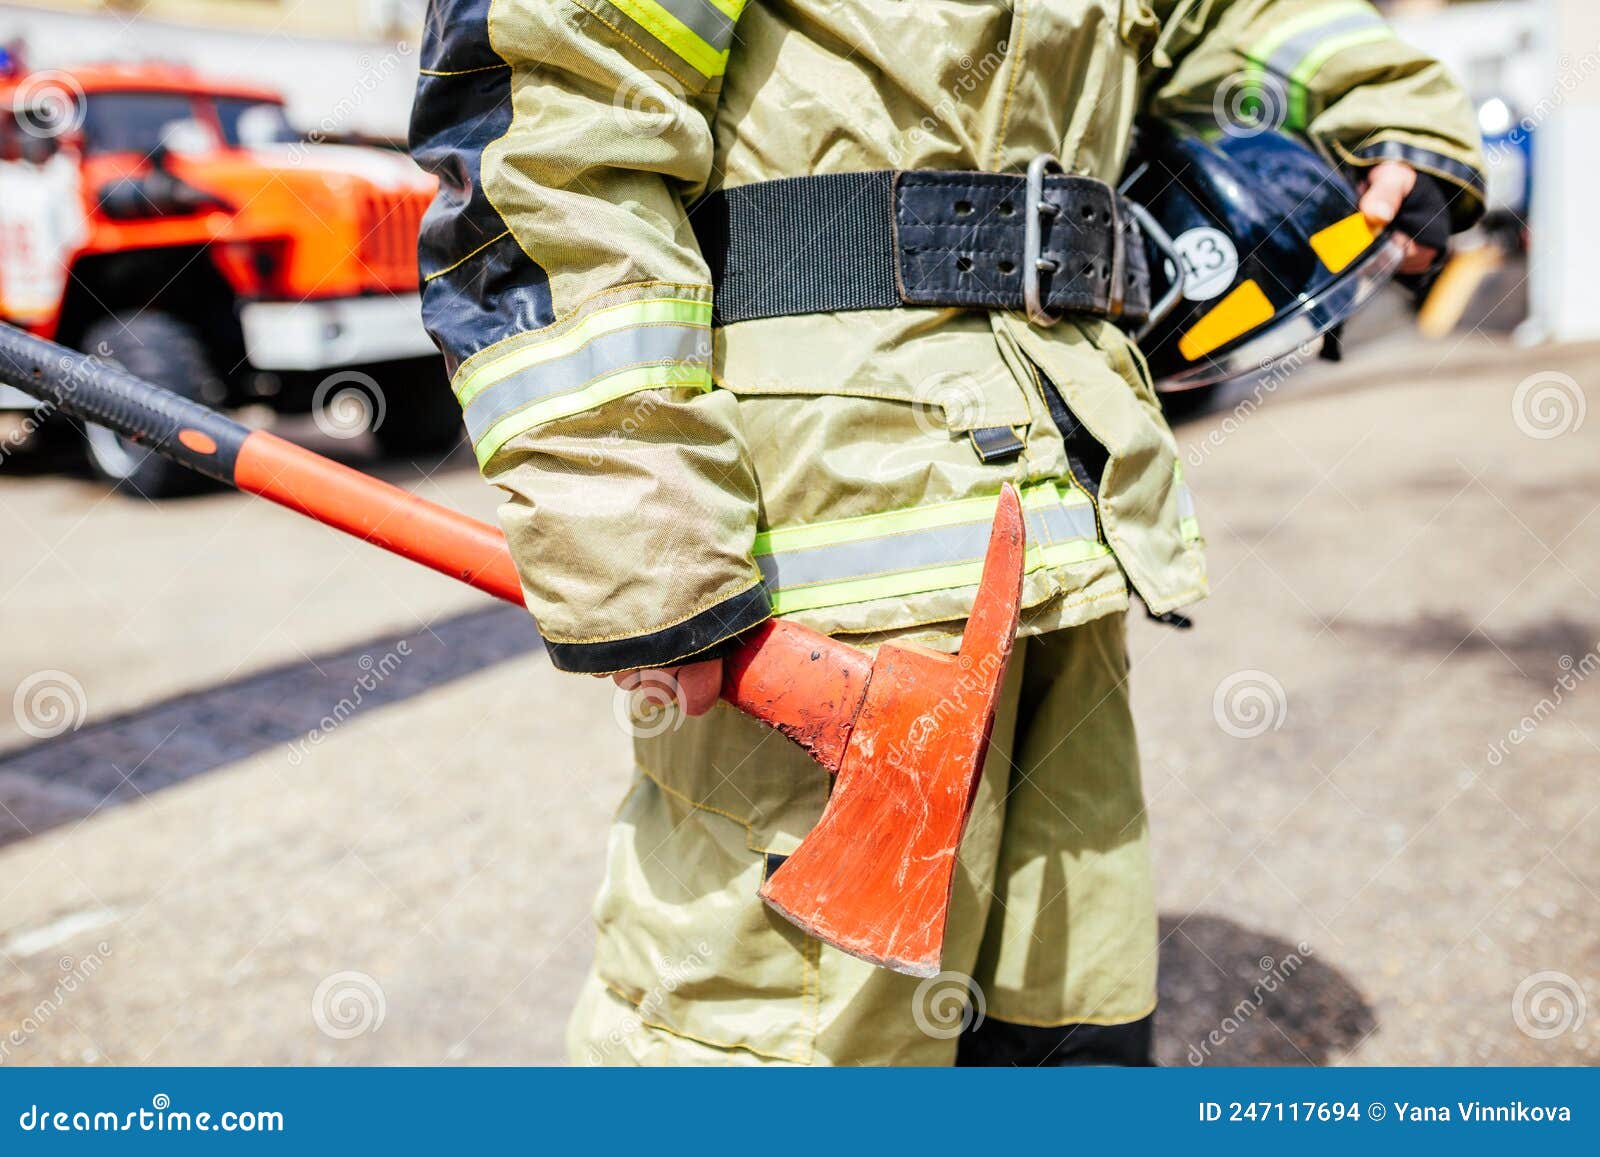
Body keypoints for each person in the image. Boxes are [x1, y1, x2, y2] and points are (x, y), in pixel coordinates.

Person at [411, 0, 1485, 1066]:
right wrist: (640, 527)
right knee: (772, 1040)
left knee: (1063, 1009)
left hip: (1058, 496)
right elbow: (552, 130)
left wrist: (1389, 110)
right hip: (812, 536)